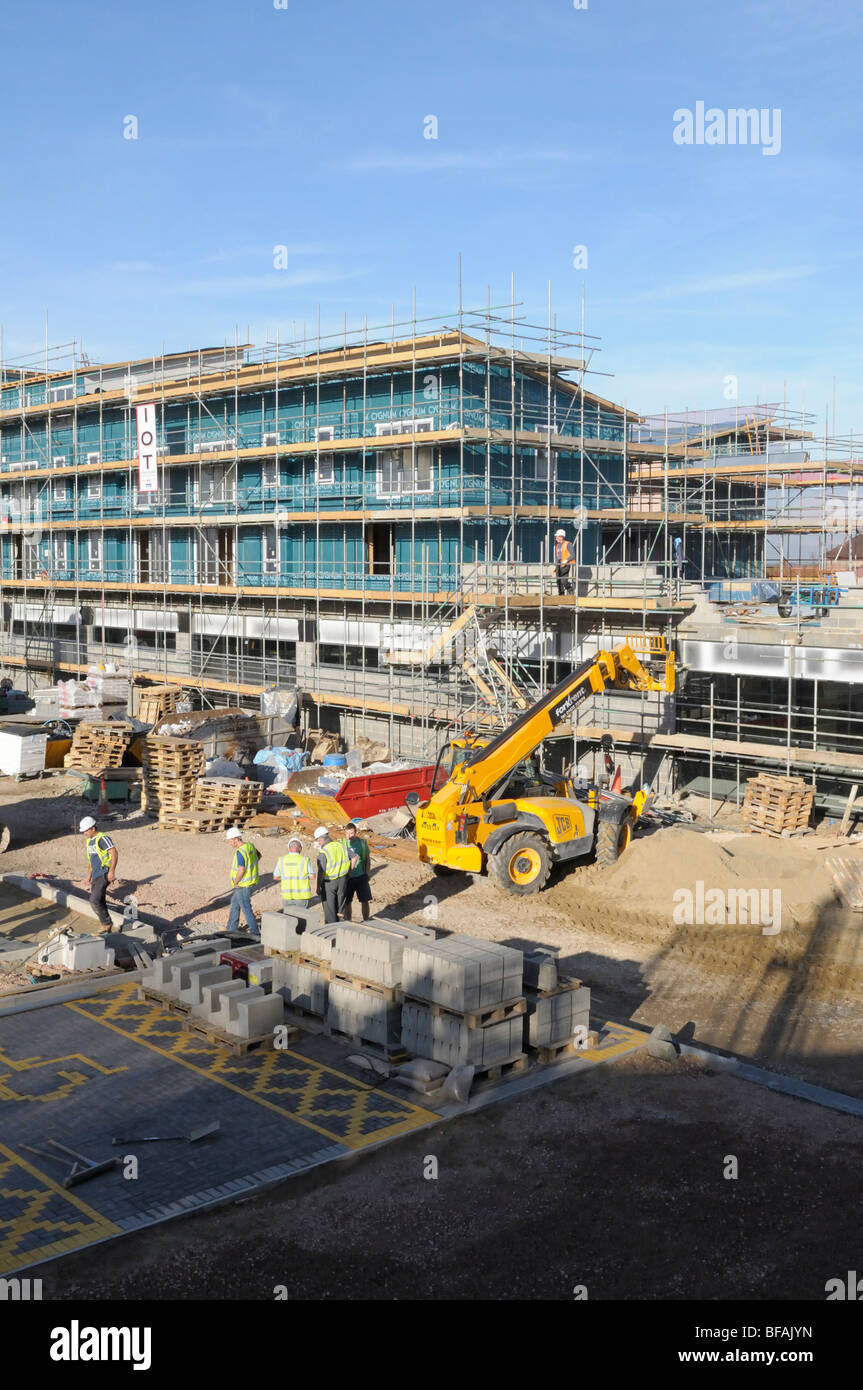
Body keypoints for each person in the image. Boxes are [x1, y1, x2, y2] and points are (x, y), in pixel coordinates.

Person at [79, 815, 117, 931]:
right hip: (96, 875)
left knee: (94, 900)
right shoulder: (89, 841)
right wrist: (88, 876)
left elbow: (114, 853)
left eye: (85, 830)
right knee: (99, 900)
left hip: (104, 873)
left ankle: (106, 924)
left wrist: (111, 871)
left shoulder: (102, 838)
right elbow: (91, 860)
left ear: (93, 828)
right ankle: (107, 927)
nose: (84, 833)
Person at [314, 825, 356, 924]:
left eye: (317, 840)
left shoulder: (323, 852)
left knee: (330, 909)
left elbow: (321, 872)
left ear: (320, 840)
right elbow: (354, 857)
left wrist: (318, 887)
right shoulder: (341, 845)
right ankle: (341, 927)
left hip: (329, 883)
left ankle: (331, 929)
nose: (317, 842)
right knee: (341, 908)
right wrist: (348, 873)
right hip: (343, 881)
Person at [226, 826, 261, 937]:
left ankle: (255, 933)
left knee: (246, 909)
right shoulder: (250, 846)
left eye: (230, 840)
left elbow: (241, 869)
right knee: (234, 904)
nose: (229, 843)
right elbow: (259, 855)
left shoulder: (240, 852)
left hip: (242, 885)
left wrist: (236, 882)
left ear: (236, 839)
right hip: (249, 883)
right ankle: (231, 929)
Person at [273, 836, 314, 913]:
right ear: (300, 848)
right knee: (302, 917)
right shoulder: (305, 860)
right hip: (301, 896)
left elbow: (275, 877)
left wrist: (285, 878)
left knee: (289, 919)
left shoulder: (281, 860)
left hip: (287, 896)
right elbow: (312, 876)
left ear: (289, 848)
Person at [344, 821, 372, 921]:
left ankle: (366, 920)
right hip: (348, 878)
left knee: (364, 901)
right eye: (347, 833)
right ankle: (348, 921)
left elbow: (368, 859)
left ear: (356, 833)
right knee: (347, 902)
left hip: (361, 876)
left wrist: (367, 874)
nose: (349, 836)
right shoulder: (342, 844)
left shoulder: (362, 843)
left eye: (351, 833)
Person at [553, 528, 573, 595]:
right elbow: (557, 556)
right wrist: (556, 566)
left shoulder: (568, 544)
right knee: (558, 581)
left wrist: (566, 561)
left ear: (561, 537)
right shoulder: (557, 546)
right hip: (558, 565)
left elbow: (573, 555)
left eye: (557, 536)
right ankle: (561, 596)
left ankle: (570, 590)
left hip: (565, 565)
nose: (556, 538)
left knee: (563, 581)